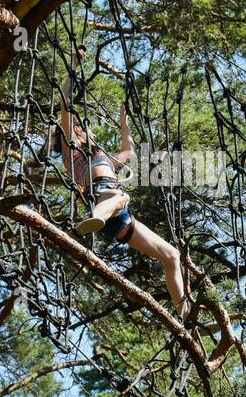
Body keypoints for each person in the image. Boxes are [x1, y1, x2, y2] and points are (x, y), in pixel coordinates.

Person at [57, 51, 188, 315]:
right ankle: (85, 223)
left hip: (122, 219)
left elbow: (127, 154)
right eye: (84, 128)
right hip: (103, 199)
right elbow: (65, 103)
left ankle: (186, 317)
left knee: (172, 256)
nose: (88, 130)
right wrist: (74, 66)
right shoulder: (71, 152)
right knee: (122, 197)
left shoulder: (102, 156)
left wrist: (123, 125)